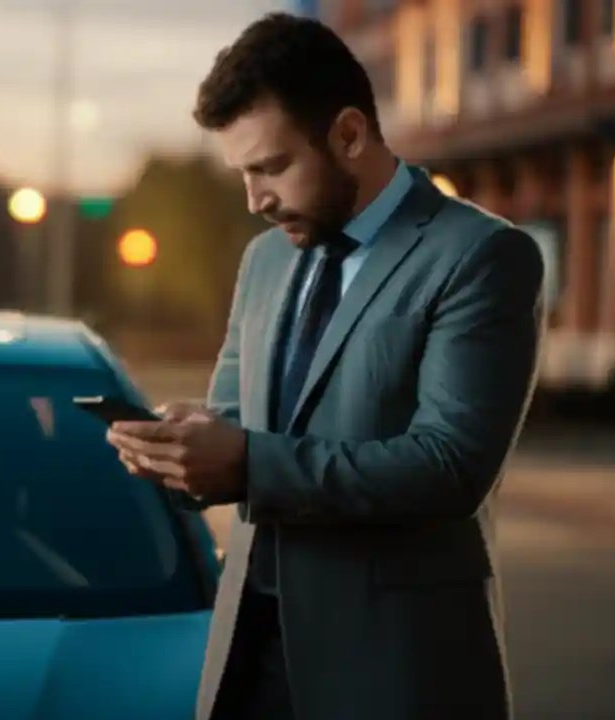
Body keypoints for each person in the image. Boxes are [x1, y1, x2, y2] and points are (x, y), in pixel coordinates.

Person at [105, 12, 544, 720]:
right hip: (251, 656)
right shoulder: (267, 258)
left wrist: (246, 462)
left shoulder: (480, 256)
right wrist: (183, 450)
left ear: (348, 135)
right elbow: (238, 421)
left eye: (270, 167)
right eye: (242, 174)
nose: (255, 201)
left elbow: (449, 467)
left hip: (393, 668)